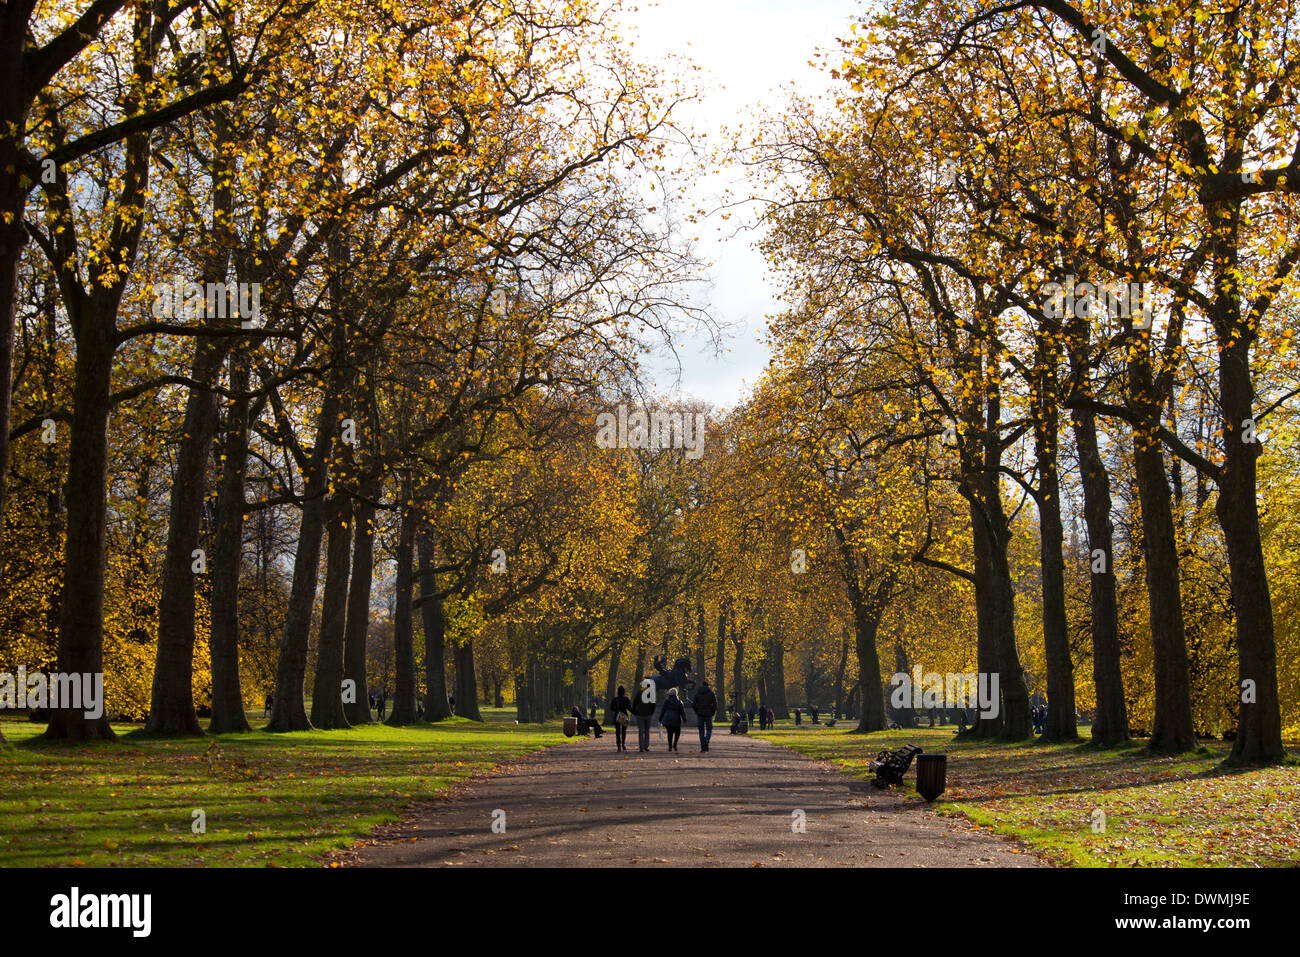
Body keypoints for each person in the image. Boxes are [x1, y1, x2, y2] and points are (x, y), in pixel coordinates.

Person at [692, 680, 718, 752]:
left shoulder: (698, 693)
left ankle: (703, 748)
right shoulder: (711, 693)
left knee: (701, 731)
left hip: (700, 714)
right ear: (708, 685)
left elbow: (694, 704)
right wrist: (713, 712)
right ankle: (707, 739)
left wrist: (697, 711)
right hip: (709, 714)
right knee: (709, 729)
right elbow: (715, 704)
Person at [631, 682, 656, 751]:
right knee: (647, 730)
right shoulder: (651, 693)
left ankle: (641, 746)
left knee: (641, 730)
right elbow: (653, 704)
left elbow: (634, 703)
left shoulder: (639, 693)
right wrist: (651, 712)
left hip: (639, 714)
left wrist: (634, 712)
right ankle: (646, 745)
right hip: (648, 714)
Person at [609, 685, 632, 751]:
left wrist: (616, 709)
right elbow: (629, 708)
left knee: (618, 731)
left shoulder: (615, 699)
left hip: (617, 715)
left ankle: (618, 745)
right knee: (624, 731)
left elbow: (611, 708)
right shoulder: (626, 699)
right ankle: (623, 743)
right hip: (624, 715)